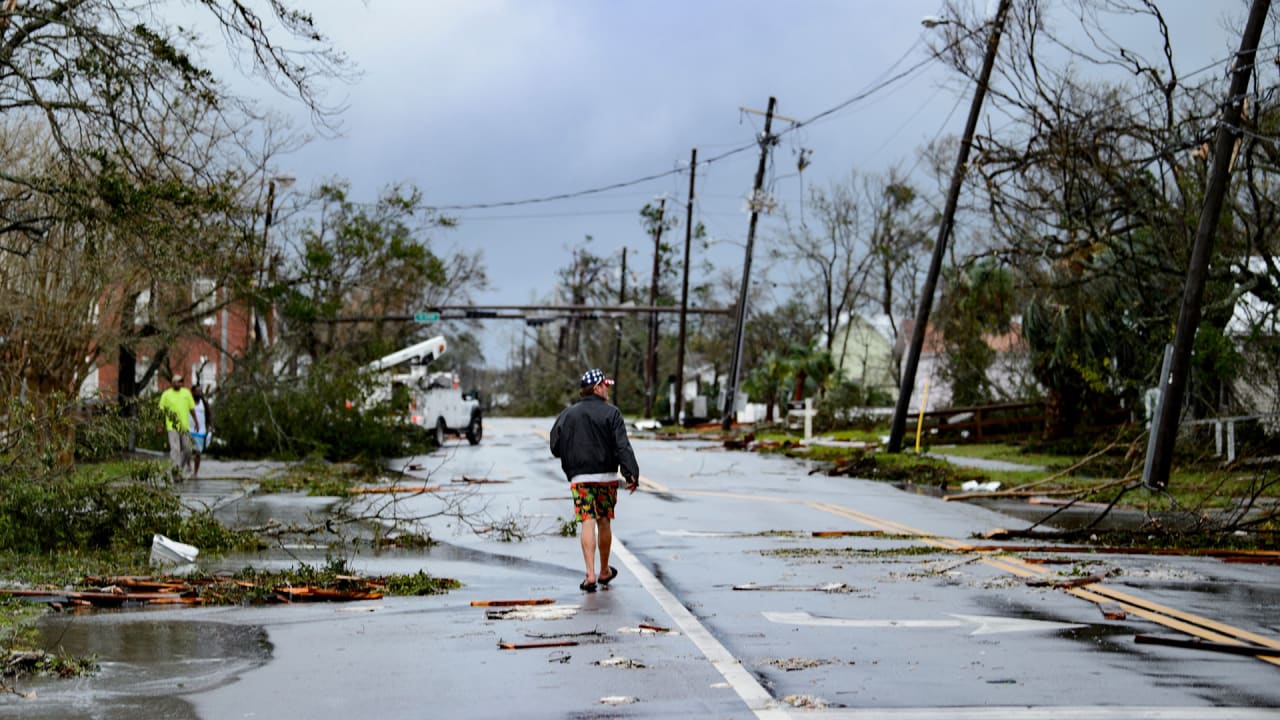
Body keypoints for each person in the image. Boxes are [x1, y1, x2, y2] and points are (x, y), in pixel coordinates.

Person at [549, 368, 640, 593]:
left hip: (580, 478)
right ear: (596, 388)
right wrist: (630, 473)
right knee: (604, 521)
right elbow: (622, 446)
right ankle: (604, 570)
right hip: (606, 478)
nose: (607, 389)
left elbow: (555, 446)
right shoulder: (612, 414)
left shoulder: (567, 414)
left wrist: (572, 456)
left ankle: (589, 575)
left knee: (587, 520)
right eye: (605, 385)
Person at [158, 374, 196, 480]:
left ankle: (180, 468)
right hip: (172, 426)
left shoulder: (186, 393)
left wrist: (196, 422)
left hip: (184, 426)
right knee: (175, 449)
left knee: (188, 449)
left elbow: (192, 409)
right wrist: (160, 425)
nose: (178, 383)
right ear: (172, 383)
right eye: (176, 382)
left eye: (180, 382)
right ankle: (175, 473)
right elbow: (161, 411)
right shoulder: (166, 395)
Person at [188, 385, 212, 479]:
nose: (199, 393)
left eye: (200, 391)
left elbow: (209, 415)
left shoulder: (204, 403)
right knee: (187, 451)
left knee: (198, 452)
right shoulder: (188, 402)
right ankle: (188, 466)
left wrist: (210, 426)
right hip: (189, 430)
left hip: (201, 431)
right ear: (192, 392)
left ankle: (195, 472)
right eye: (197, 391)